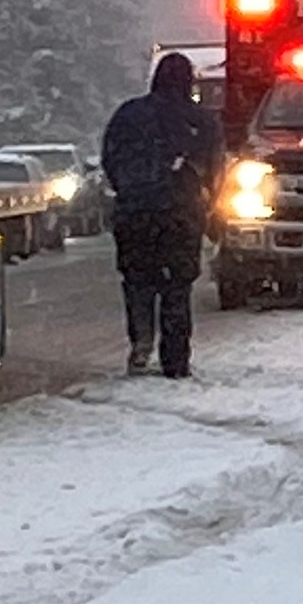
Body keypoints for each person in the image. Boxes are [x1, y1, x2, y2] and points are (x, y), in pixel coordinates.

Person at [99, 51, 220, 376]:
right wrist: (208, 205)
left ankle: (140, 341)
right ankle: (175, 358)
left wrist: (128, 190)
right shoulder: (201, 121)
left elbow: (110, 158)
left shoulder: (128, 114)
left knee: (138, 282)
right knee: (177, 288)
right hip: (180, 215)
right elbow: (214, 170)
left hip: (135, 213)